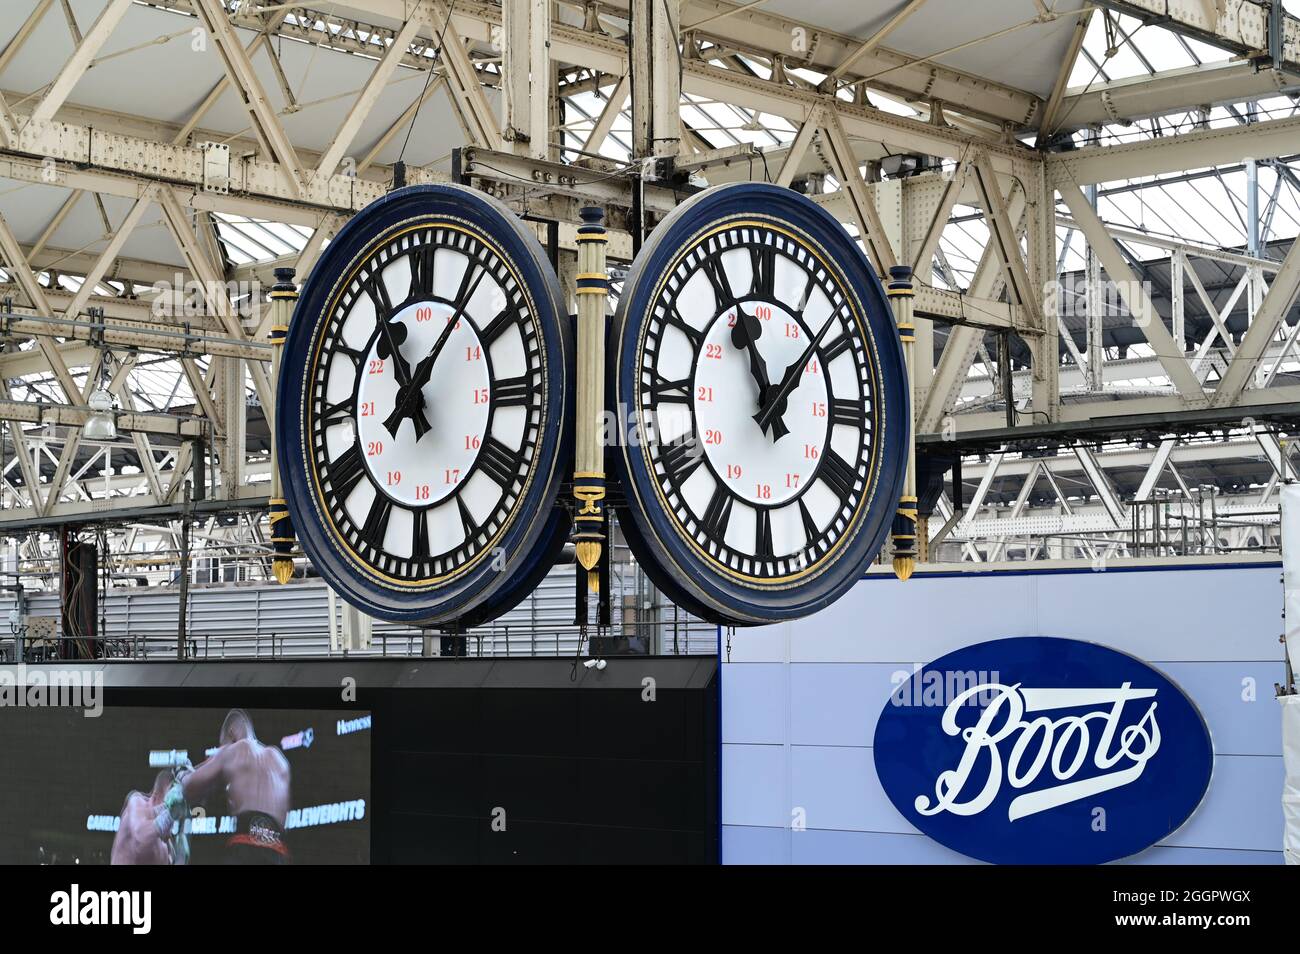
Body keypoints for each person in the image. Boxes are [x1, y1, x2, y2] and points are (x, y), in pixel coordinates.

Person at [178, 709, 292, 864]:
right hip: (277, 850)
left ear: (231, 734)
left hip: (245, 846)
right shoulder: (280, 760)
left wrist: (183, 773)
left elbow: (189, 788)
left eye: (222, 743)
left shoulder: (234, 749)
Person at [111, 771, 178, 865]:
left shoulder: (166, 850)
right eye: (168, 803)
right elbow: (140, 835)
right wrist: (168, 812)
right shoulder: (137, 803)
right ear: (155, 797)